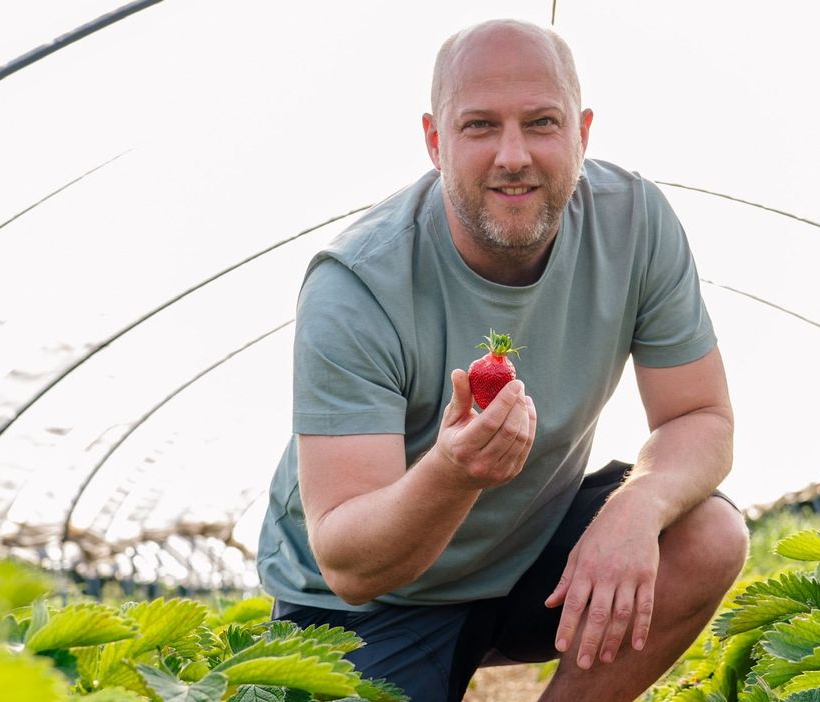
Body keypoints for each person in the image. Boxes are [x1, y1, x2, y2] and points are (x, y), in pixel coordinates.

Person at [256, 18, 749, 702]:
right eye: (480, 126)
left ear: (583, 133)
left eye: (541, 123)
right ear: (435, 141)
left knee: (708, 533)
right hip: (372, 605)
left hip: (527, 556)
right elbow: (349, 564)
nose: (513, 156)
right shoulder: (358, 285)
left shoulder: (634, 223)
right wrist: (454, 473)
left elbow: (701, 415)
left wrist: (638, 506)